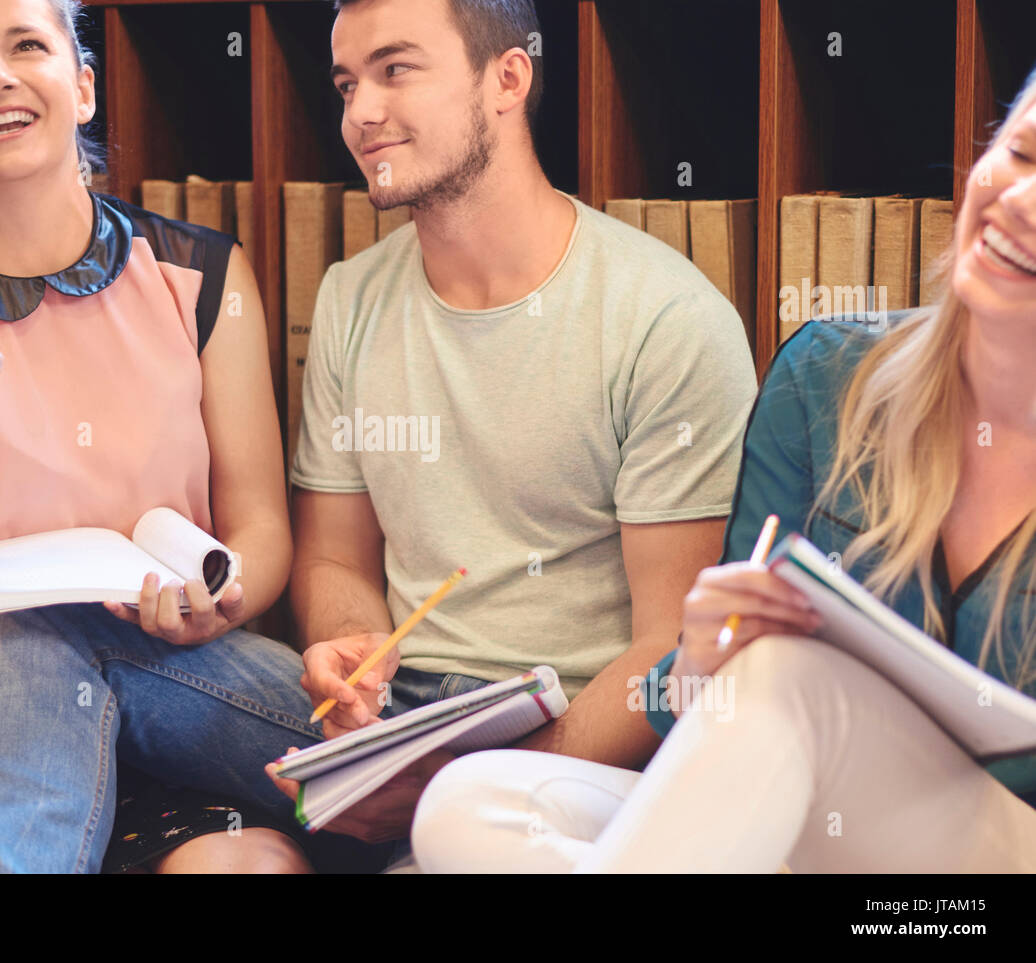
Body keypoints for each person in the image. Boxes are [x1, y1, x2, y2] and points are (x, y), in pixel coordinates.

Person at [408, 67, 1036, 873]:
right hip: (798, 833)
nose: (1020, 200)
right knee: (472, 805)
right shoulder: (827, 376)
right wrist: (703, 661)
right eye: (1018, 154)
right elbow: (714, 711)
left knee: (791, 672)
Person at [0, 0, 319, 874]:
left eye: (26, 46)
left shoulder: (203, 280)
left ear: (83, 86)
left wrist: (221, 600)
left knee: (252, 866)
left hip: (173, 668)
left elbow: (263, 531)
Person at [264, 0, 758, 843]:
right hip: (393, 715)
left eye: (396, 70)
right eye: (348, 85)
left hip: (568, 739)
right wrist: (354, 659)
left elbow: (671, 652)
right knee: (77, 644)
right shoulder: (350, 298)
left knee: (464, 826)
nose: (360, 114)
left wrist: (467, 778)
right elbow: (334, 555)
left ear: (508, 77)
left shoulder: (664, 317)